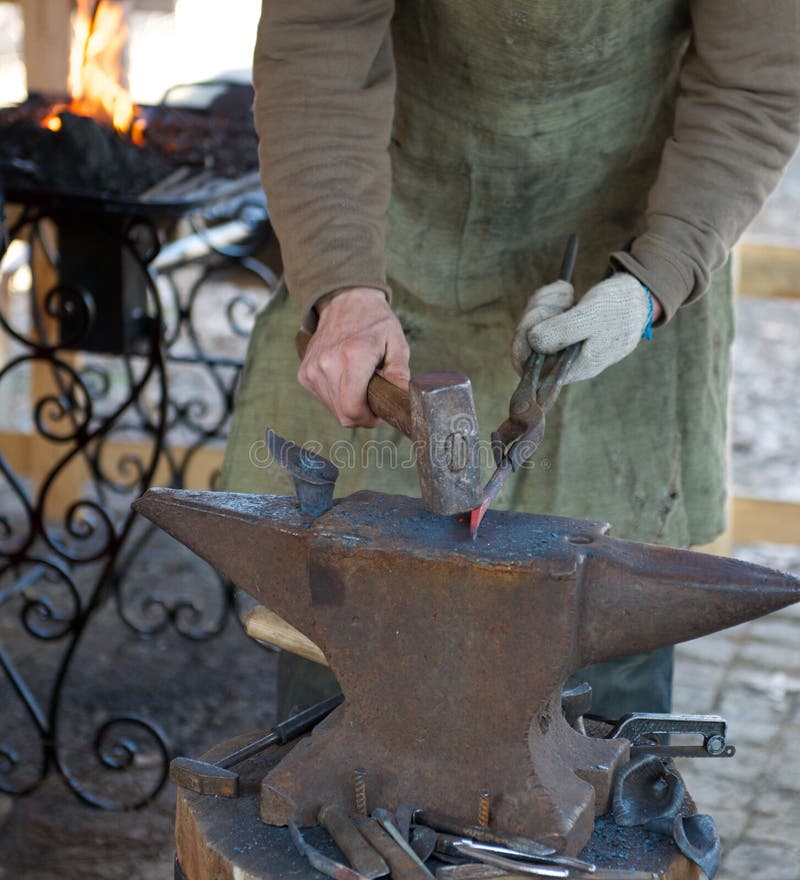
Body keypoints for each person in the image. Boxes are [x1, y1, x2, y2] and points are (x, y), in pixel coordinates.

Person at [222, 1, 800, 720]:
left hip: (636, 237)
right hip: (394, 231)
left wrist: (655, 282)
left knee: (600, 712)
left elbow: (754, 83)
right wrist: (341, 284)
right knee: (346, 673)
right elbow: (318, 36)